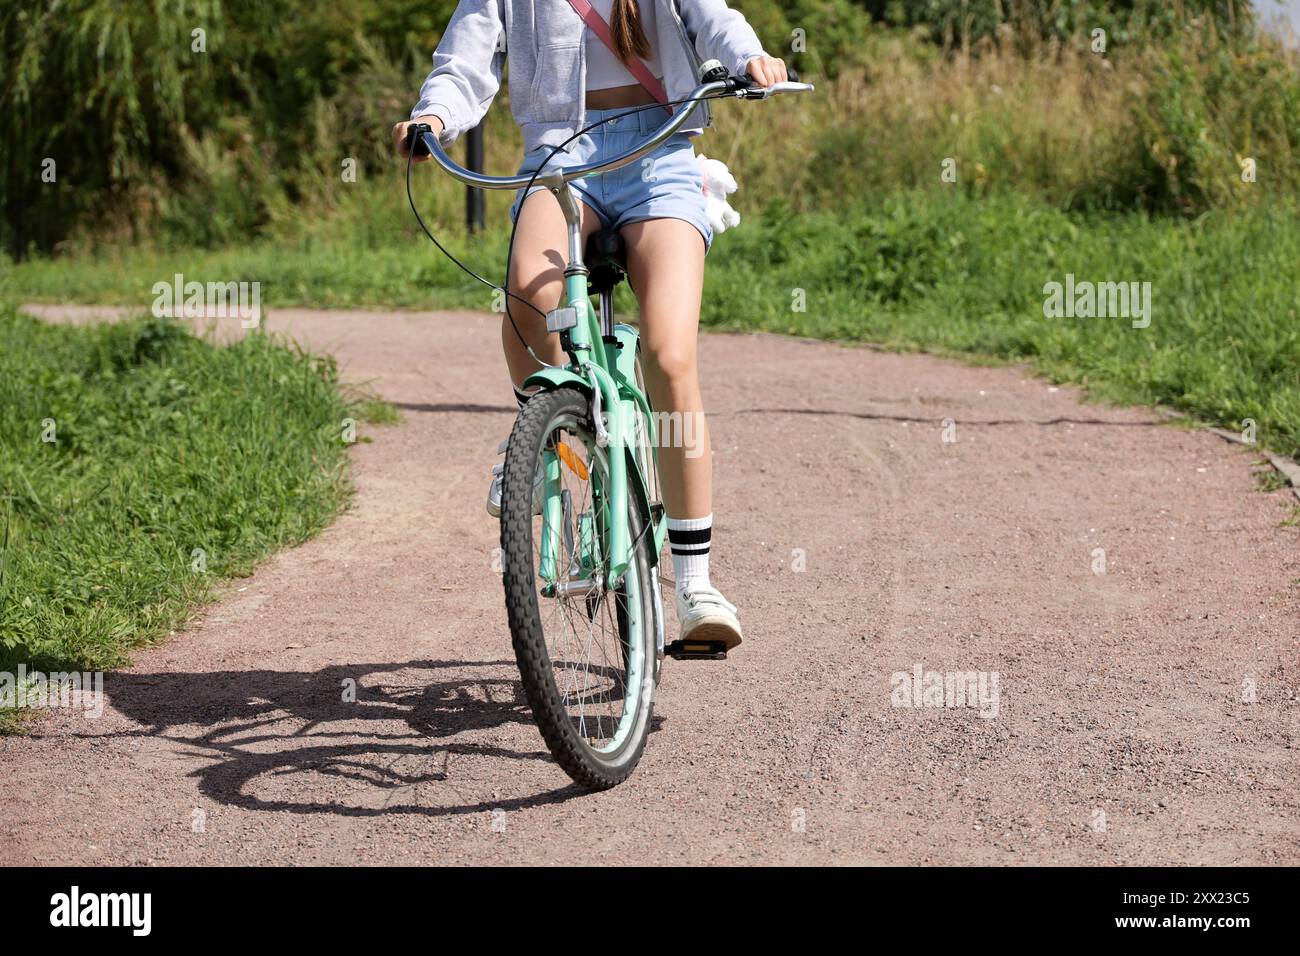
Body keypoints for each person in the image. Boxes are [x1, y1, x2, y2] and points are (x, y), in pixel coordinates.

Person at [392, 1, 788, 651]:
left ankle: (694, 585)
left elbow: (714, 16)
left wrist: (749, 59)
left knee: (669, 353)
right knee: (527, 297)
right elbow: (464, 58)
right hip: (559, 157)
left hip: (659, 151)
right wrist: (434, 116)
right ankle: (540, 434)